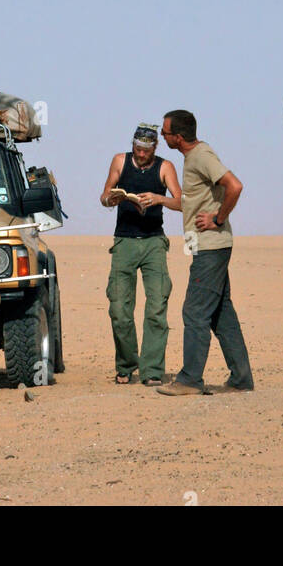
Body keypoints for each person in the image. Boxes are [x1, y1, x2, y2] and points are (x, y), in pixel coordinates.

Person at [156, 109, 254, 397]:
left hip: (211, 247)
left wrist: (218, 218)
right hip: (206, 247)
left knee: (195, 311)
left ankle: (190, 380)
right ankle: (241, 379)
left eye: (165, 133)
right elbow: (191, 204)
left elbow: (234, 186)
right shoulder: (192, 159)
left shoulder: (201, 156)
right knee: (221, 314)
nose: (162, 138)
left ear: (178, 136)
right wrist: (160, 200)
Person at [99, 124, 182, 385]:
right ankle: (125, 366)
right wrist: (111, 199)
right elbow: (104, 195)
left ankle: (153, 371)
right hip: (124, 242)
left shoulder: (165, 166)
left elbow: (181, 202)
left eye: (146, 150)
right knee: (119, 308)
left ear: (154, 148)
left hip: (154, 243)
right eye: (137, 148)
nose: (141, 153)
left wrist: (159, 199)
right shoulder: (120, 161)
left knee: (157, 307)